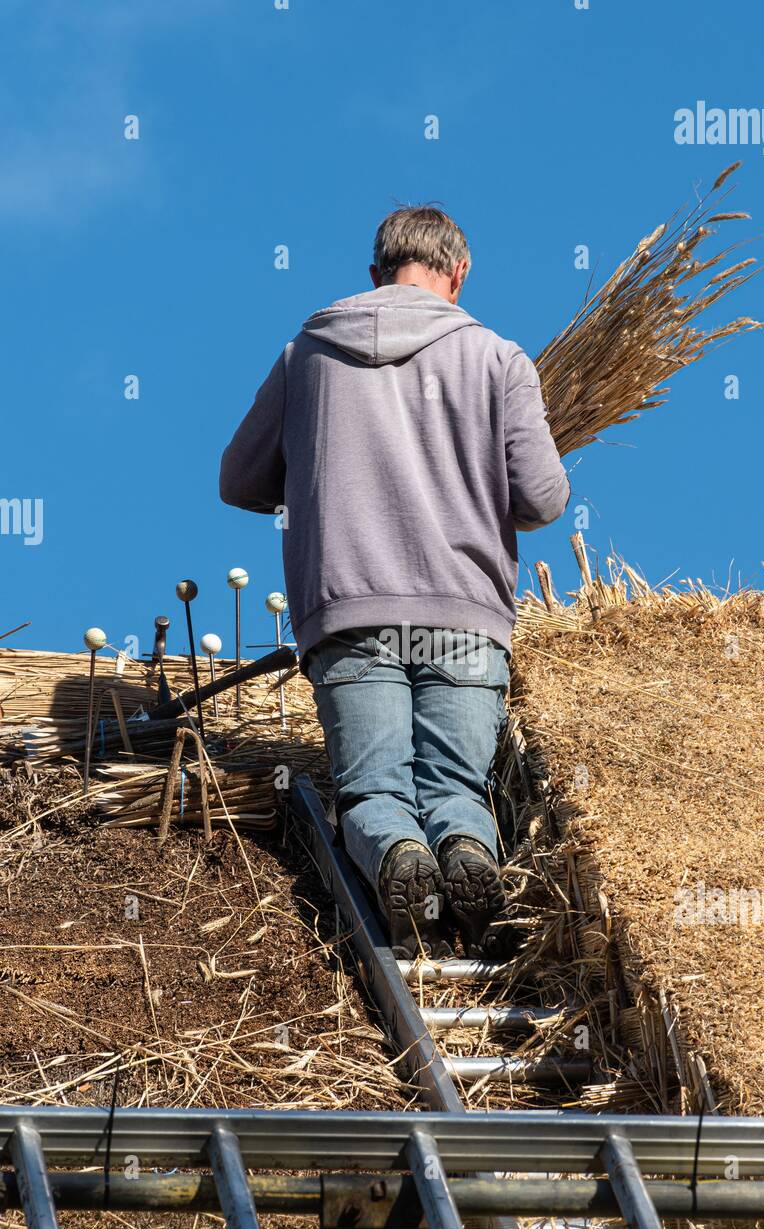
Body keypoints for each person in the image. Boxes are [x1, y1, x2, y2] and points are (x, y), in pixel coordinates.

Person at [220, 205, 569, 958]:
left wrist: (319, 475)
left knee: (374, 792)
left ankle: (399, 859)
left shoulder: (307, 354)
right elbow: (542, 499)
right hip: (464, 613)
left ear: (374, 274)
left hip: (350, 609)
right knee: (456, 789)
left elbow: (239, 478)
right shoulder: (499, 359)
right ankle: (468, 857)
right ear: (459, 273)